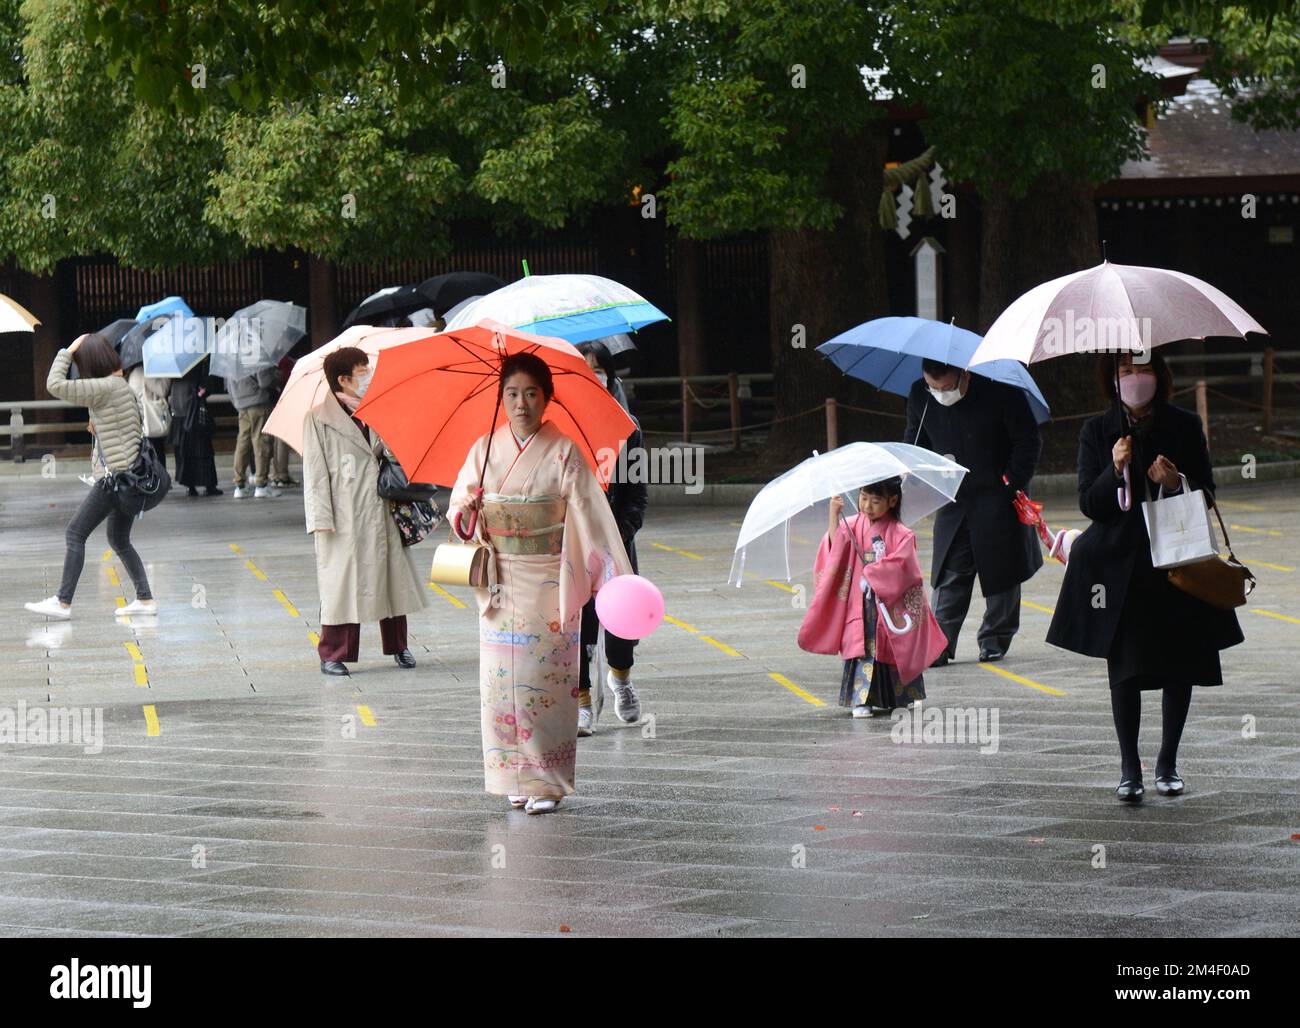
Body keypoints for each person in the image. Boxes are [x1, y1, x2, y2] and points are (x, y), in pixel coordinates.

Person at [1046, 354, 1243, 803]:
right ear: (1111, 379)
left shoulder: (1185, 424)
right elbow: (1089, 504)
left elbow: (1207, 491)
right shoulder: (1098, 430)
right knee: (1127, 668)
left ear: (1162, 375)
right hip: (1122, 566)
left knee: (1181, 663)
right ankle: (1129, 767)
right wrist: (1114, 468)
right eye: (1126, 372)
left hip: (1176, 562)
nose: (1136, 380)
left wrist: (1175, 482)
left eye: (1145, 370)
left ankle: (1168, 761)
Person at [449, 352, 633, 815]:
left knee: (541, 682)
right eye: (512, 393)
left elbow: (590, 512)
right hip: (500, 581)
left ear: (547, 398)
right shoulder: (484, 449)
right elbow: (458, 510)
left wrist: (611, 572)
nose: (521, 403)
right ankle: (511, 774)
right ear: (501, 398)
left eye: (531, 393)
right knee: (500, 684)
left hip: (549, 580)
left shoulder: (564, 451)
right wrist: (467, 510)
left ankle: (546, 781)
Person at [904, 359, 1042, 664]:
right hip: (954, 498)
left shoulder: (1002, 391)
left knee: (1002, 572)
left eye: (946, 387)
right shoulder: (920, 395)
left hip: (997, 493)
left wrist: (1011, 481)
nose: (940, 393)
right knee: (950, 572)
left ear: (964, 374)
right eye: (933, 386)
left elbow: (1027, 441)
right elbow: (915, 443)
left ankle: (995, 638)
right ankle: (939, 643)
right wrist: (918, 475)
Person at [302, 346, 425, 676]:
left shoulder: (378, 410)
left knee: (391, 579)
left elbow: (399, 454)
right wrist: (321, 519)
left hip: (381, 507)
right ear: (343, 380)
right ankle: (333, 652)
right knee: (342, 585)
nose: (370, 378)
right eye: (363, 373)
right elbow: (314, 473)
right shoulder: (317, 418)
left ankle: (399, 645)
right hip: (344, 515)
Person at [24, 333, 156, 620]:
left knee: (75, 533)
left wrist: (68, 350)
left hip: (114, 481)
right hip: (130, 478)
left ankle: (63, 602)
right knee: (119, 540)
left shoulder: (103, 386)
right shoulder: (120, 385)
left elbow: (54, 384)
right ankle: (145, 599)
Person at [798, 478, 947, 716]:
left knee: (894, 646)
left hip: (889, 603)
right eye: (864, 498)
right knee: (862, 647)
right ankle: (861, 699)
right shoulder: (851, 525)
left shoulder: (901, 533)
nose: (867, 506)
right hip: (860, 602)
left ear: (893, 501)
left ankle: (903, 695)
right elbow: (835, 552)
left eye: (875, 501)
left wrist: (875, 574)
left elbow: (905, 565)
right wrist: (833, 516)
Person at [575, 340, 647, 736]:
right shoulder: (557, 430)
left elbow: (637, 496)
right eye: (581, 368)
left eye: (597, 368)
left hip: (616, 545)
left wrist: (618, 536)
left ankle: (620, 678)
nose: (592, 375)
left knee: (622, 624)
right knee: (577, 628)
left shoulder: (628, 429)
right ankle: (582, 701)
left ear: (609, 375)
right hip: (572, 546)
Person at [226, 364, 281, 498]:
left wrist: (237, 402)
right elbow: (264, 381)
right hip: (258, 402)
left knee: (242, 443)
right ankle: (261, 485)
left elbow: (228, 385)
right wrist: (276, 375)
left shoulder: (231, 356)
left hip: (241, 404)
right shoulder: (256, 354)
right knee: (261, 443)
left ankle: (240, 485)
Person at [169, 360, 222, 497]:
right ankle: (209, 485)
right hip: (194, 415)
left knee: (185, 453)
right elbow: (204, 388)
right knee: (203, 452)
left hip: (179, 416)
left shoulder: (174, 371)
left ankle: (190, 485)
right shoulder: (197, 367)